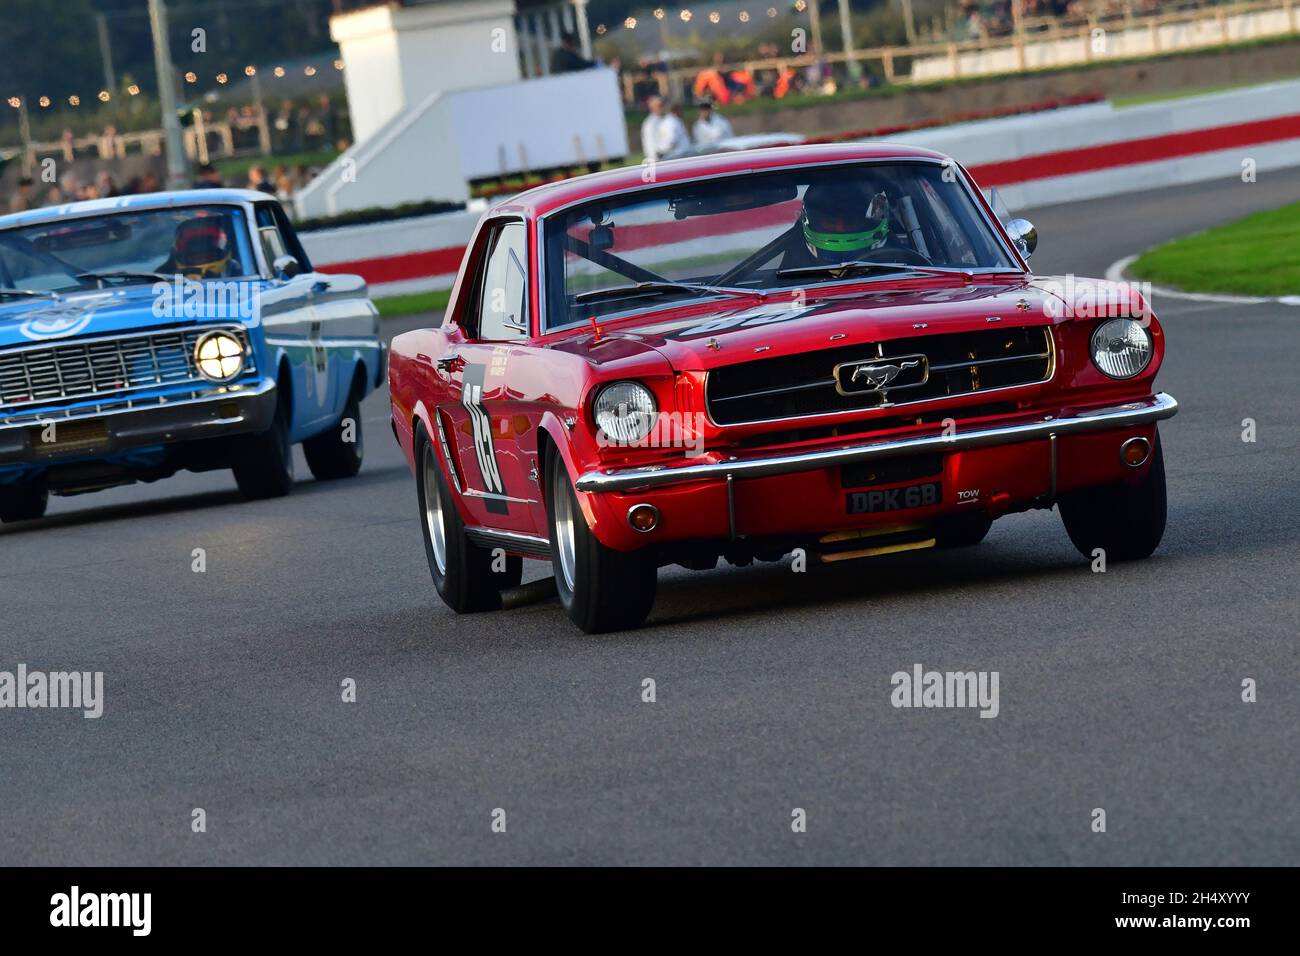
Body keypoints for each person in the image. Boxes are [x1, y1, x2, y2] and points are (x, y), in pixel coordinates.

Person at [780, 182, 894, 269]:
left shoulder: (900, 264)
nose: (840, 229)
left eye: (850, 222)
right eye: (831, 223)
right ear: (812, 222)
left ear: (866, 223)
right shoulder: (789, 272)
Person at [640, 95, 689, 162]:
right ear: (652, 108)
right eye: (660, 105)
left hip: (679, 156)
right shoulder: (649, 124)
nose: (662, 107)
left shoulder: (672, 119)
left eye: (663, 105)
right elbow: (649, 145)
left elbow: (676, 138)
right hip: (660, 159)